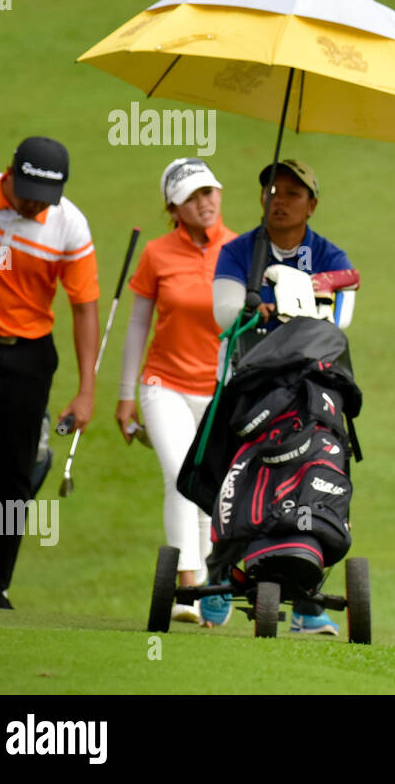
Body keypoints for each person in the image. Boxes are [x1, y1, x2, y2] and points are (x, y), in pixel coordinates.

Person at [209, 158, 353, 635]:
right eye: (272, 190)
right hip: (246, 384)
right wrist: (257, 304)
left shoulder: (331, 256)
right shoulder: (238, 251)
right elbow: (224, 314)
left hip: (309, 387)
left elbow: (339, 320)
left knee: (310, 469)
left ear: (312, 204)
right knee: (234, 473)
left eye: (293, 193)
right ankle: (222, 572)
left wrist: (292, 306)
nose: (280, 200)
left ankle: (305, 593)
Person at [0, 137, 99, 608]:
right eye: (30, 189)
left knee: (16, 470)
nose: (37, 202)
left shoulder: (68, 225)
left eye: (47, 193)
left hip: (31, 354)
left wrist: (85, 391)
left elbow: (84, 308)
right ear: (9, 171)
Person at [115, 158, 236, 624]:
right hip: (163, 384)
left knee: (214, 487)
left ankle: (209, 590)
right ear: (173, 207)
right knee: (180, 475)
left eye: (208, 192)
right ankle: (189, 583)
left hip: (221, 389)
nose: (203, 203)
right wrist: (126, 395)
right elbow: (138, 324)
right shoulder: (158, 254)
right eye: (191, 197)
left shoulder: (243, 250)